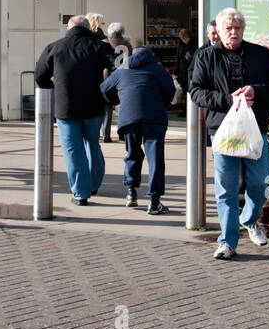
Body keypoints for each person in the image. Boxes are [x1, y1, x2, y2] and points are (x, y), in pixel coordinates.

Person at [189, 7, 269, 260]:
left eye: (238, 28)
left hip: (255, 128)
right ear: (218, 32)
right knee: (226, 188)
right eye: (228, 28)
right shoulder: (205, 57)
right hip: (223, 131)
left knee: (260, 181)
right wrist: (226, 100)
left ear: (244, 30)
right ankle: (227, 241)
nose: (233, 32)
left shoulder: (261, 55)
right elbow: (196, 91)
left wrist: (256, 91)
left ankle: (250, 219)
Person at [35, 16, 113, 205]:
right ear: (88, 28)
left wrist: (54, 90)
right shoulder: (100, 46)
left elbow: (40, 75)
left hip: (66, 108)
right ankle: (94, 184)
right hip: (94, 106)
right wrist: (108, 90)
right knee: (93, 145)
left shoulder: (54, 47)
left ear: (69, 28)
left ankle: (80, 192)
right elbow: (118, 67)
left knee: (72, 150)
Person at [101, 46, 176, 214]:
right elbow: (170, 92)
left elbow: (104, 89)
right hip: (154, 118)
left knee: (132, 155)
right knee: (155, 159)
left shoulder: (122, 69)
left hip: (129, 119)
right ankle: (154, 201)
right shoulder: (158, 68)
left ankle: (131, 193)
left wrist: (119, 99)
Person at [101, 22, 132, 142]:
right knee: (123, 106)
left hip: (107, 78)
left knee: (107, 107)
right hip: (123, 78)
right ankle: (122, 133)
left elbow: (103, 66)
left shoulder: (104, 44)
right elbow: (127, 63)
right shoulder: (127, 44)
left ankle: (106, 134)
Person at [174, 28, 197, 95]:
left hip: (191, 71)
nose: (185, 40)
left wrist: (190, 57)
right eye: (183, 38)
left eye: (186, 38)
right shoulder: (181, 45)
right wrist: (175, 73)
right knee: (183, 88)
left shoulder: (194, 44)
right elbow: (178, 60)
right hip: (182, 71)